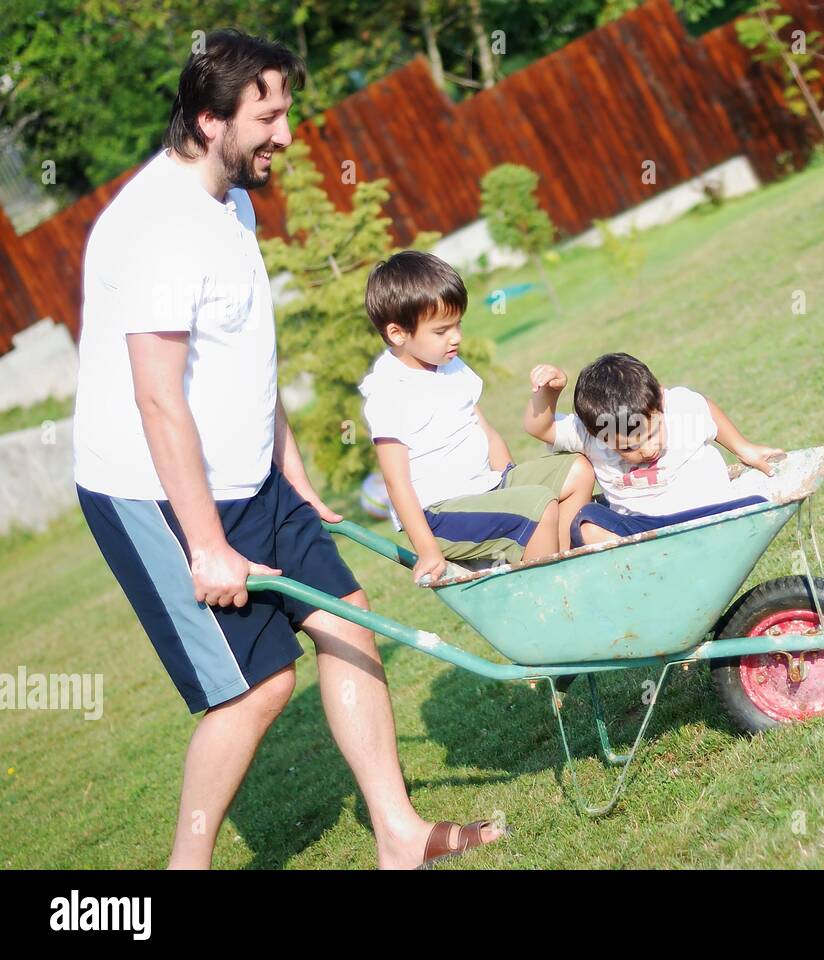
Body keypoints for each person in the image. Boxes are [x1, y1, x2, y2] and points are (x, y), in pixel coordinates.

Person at [72, 30, 503, 869]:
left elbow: (240, 355)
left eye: (287, 113)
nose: (286, 135)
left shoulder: (230, 199)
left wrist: (292, 470)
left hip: (255, 476)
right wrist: (206, 545)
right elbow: (158, 397)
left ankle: (401, 836)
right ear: (207, 119)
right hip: (157, 495)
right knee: (257, 688)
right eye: (267, 117)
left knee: (350, 625)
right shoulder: (156, 227)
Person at [359, 251, 594, 586]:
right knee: (538, 506)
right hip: (440, 516)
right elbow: (396, 482)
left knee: (577, 470)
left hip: (485, 488)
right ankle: (551, 592)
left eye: (458, 324)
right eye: (441, 330)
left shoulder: (449, 363)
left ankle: (573, 563)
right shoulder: (389, 391)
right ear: (398, 334)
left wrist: (511, 480)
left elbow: (485, 431)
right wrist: (427, 550)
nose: (456, 337)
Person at [522, 352, 783, 547]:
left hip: (706, 514)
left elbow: (706, 408)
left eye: (652, 434)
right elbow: (539, 427)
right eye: (628, 447)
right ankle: (640, 570)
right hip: (641, 532)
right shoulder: (592, 434)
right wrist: (550, 392)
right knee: (586, 520)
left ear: (661, 401)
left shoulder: (680, 408)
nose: (647, 451)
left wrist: (743, 448)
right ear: (595, 433)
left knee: (757, 506)